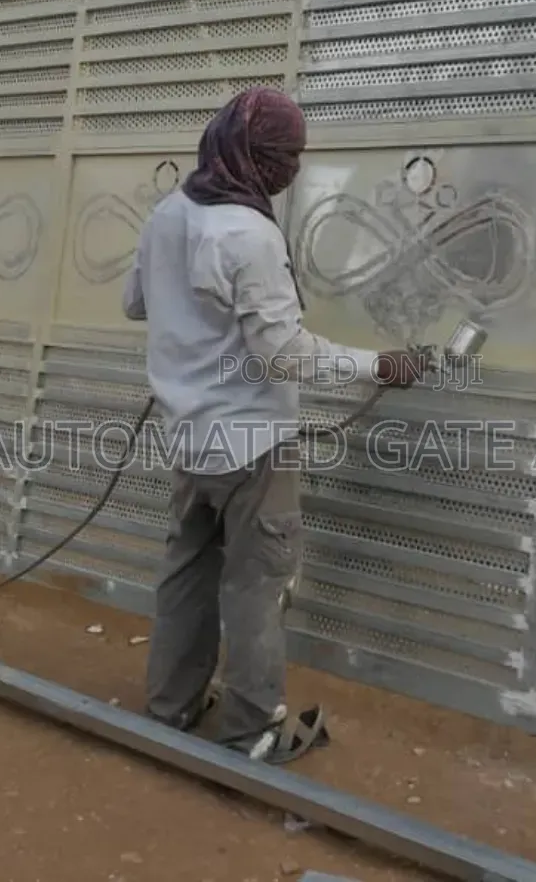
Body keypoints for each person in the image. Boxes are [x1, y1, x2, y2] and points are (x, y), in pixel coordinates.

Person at [121, 87, 428, 764]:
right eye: (284, 156)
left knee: (188, 573)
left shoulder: (167, 214)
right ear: (254, 155)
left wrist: (195, 326)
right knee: (258, 586)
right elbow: (283, 353)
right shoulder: (248, 233)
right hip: (251, 444)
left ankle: (170, 707)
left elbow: (135, 303)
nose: (291, 169)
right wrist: (382, 364)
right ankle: (251, 731)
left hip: (189, 437)